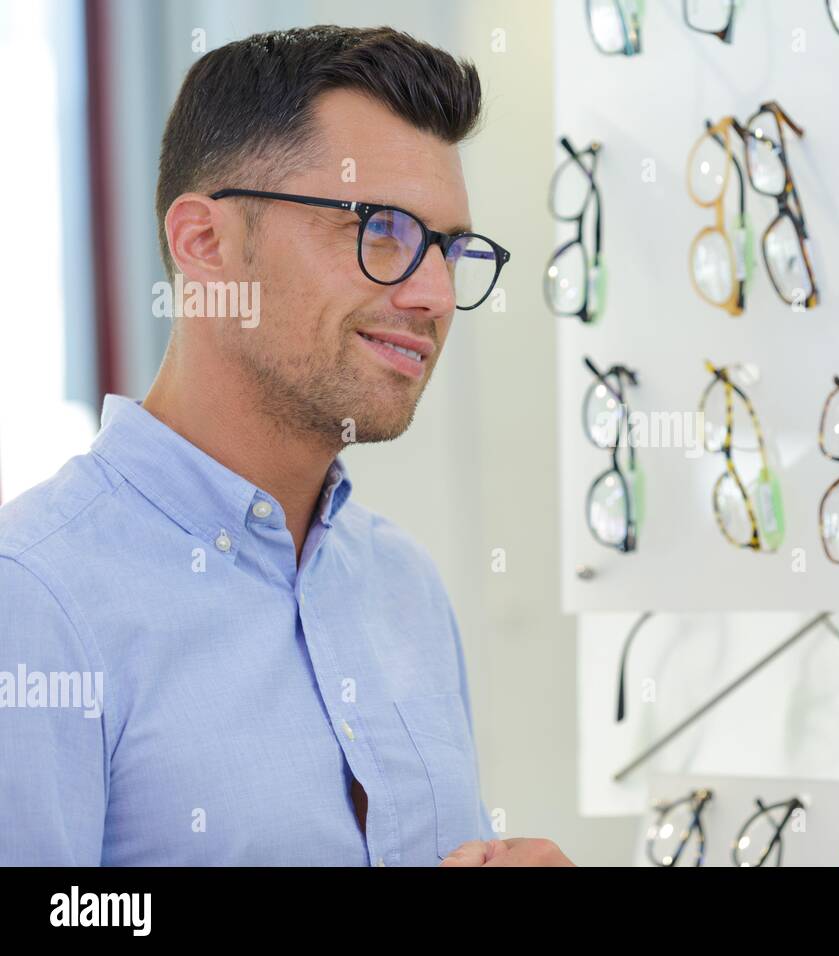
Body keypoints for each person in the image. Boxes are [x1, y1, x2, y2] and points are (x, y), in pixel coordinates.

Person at [0, 25, 571, 867]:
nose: (437, 295)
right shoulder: (36, 602)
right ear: (205, 243)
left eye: (450, 249)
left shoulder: (402, 584)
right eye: (382, 229)